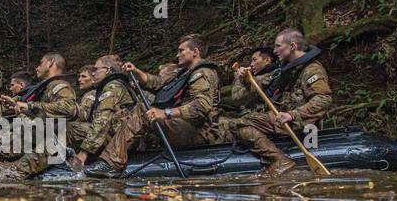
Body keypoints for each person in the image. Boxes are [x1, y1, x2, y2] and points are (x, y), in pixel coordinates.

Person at [86, 34, 220, 178]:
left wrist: (165, 113)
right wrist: (136, 72)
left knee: (145, 109)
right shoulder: (182, 73)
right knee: (135, 111)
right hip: (182, 125)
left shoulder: (203, 72)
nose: (177, 54)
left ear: (195, 52)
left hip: (199, 130)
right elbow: (158, 83)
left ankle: (111, 164)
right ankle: (109, 156)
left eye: (181, 50)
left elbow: (201, 106)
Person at [223, 29, 332, 176]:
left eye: (278, 46)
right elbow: (253, 89)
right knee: (234, 122)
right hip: (282, 120)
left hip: (299, 123)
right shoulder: (286, 69)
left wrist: (292, 115)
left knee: (239, 124)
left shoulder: (312, 70)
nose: (274, 51)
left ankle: (280, 161)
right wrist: (243, 78)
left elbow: (323, 100)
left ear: (292, 46)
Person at [0, 52, 78, 179]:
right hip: (40, 134)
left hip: (53, 138)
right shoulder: (47, 87)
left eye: (41, 63)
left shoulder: (60, 85)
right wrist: (18, 106)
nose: (37, 67)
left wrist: (29, 106)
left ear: (51, 62)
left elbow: (69, 109)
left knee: (10, 171)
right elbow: (43, 113)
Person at [67, 55, 134, 172]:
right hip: (121, 137)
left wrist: (83, 154)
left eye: (96, 70)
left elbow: (102, 121)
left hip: (118, 140)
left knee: (69, 128)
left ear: (107, 70)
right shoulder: (118, 85)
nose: (93, 74)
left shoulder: (112, 87)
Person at [215, 46, 278, 142]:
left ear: (267, 60)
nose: (251, 65)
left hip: (262, 119)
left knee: (221, 124)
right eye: (251, 61)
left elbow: (236, 98)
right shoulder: (261, 76)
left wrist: (239, 79)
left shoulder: (264, 78)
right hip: (255, 115)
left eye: (254, 60)